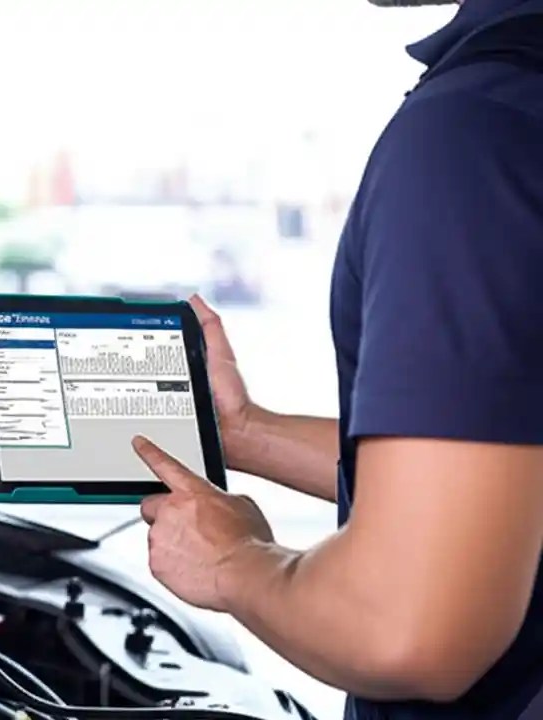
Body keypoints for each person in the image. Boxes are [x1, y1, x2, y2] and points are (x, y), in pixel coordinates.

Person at [133, 1, 543, 718]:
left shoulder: (473, 134)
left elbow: (406, 629)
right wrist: (244, 431)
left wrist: (234, 562)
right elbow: (500, 482)